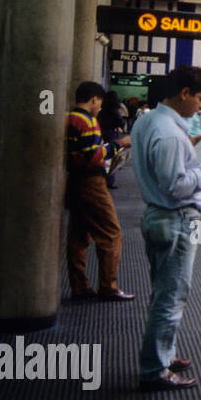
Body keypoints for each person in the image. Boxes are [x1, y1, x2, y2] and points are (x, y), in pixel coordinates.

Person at [130, 66, 201, 391]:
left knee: (163, 293)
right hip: (175, 220)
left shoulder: (149, 121)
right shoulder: (169, 133)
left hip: (159, 217)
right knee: (171, 297)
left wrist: (191, 148)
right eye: (199, 99)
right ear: (183, 93)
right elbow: (176, 186)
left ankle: (164, 355)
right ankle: (156, 371)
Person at [65, 81, 134, 301]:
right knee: (111, 232)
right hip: (91, 182)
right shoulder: (87, 121)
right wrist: (119, 144)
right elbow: (92, 155)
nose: (100, 108)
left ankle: (80, 287)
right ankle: (108, 287)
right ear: (94, 99)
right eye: (100, 103)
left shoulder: (68, 117)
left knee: (79, 235)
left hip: (74, 181)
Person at [98, 91, 128, 190]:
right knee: (111, 155)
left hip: (102, 132)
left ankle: (101, 177)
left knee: (102, 154)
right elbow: (121, 121)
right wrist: (118, 126)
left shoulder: (102, 109)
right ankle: (110, 180)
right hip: (111, 133)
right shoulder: (114, 109)